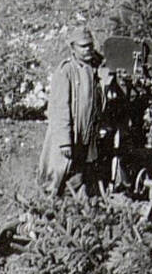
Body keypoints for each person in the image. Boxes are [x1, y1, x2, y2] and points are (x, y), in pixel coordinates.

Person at [38, 28, 104, 198]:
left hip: (87, 134)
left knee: (80, 173)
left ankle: (76, 205)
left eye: (90, 45)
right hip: (70, 134)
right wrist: (64, 141)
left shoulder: (96, 67)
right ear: (73, 48)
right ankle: (51, 204)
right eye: (82, 46)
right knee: (60, 172)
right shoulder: (66, 71)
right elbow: (60, 109)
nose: (88, 49)